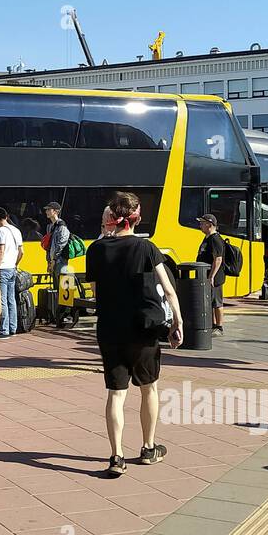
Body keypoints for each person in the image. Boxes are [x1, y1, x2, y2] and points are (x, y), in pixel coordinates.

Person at [85, 191, 184, 476]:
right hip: (143, 330)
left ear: (112, 219)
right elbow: (167, 289)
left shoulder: (96, 249)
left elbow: (95, 293)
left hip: (110, 329)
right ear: (135, 219)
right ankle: (148, 448)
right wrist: (178, 321)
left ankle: (116, 457)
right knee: (148, 388)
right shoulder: (147, 248)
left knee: (116, 394)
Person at [0, 207, 24, 338]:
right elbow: (21, 252)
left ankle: (4, 330)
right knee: (11, 299)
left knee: (2, 300)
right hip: (12, 268)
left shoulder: (1, 231)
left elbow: (0, 251)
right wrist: (15, 264)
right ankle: (13, 327)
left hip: (3, 268)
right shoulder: (16, 230)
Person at [195, 214, 227, 336]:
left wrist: (212, 276)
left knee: (216, 301)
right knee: (210, 301)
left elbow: (218, 259)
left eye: (202, 223)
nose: (200, 225)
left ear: (209, 224)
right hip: (208, 276)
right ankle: (212, 325)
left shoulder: (215, 239)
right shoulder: (208, 238)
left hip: (215, 277)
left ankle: (219, 327)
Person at [43, 201, 71, 296]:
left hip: (60, 261)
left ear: (55, 211)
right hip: (53, 261)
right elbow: (49, 246)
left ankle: (65, 309)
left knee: (63, 287)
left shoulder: (61, 226)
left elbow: (61, 244)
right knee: (56, 288)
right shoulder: (50, 227)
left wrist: (54, 259)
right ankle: (57, 309)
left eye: (48, 209)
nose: (46, 211)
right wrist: (49, 261)